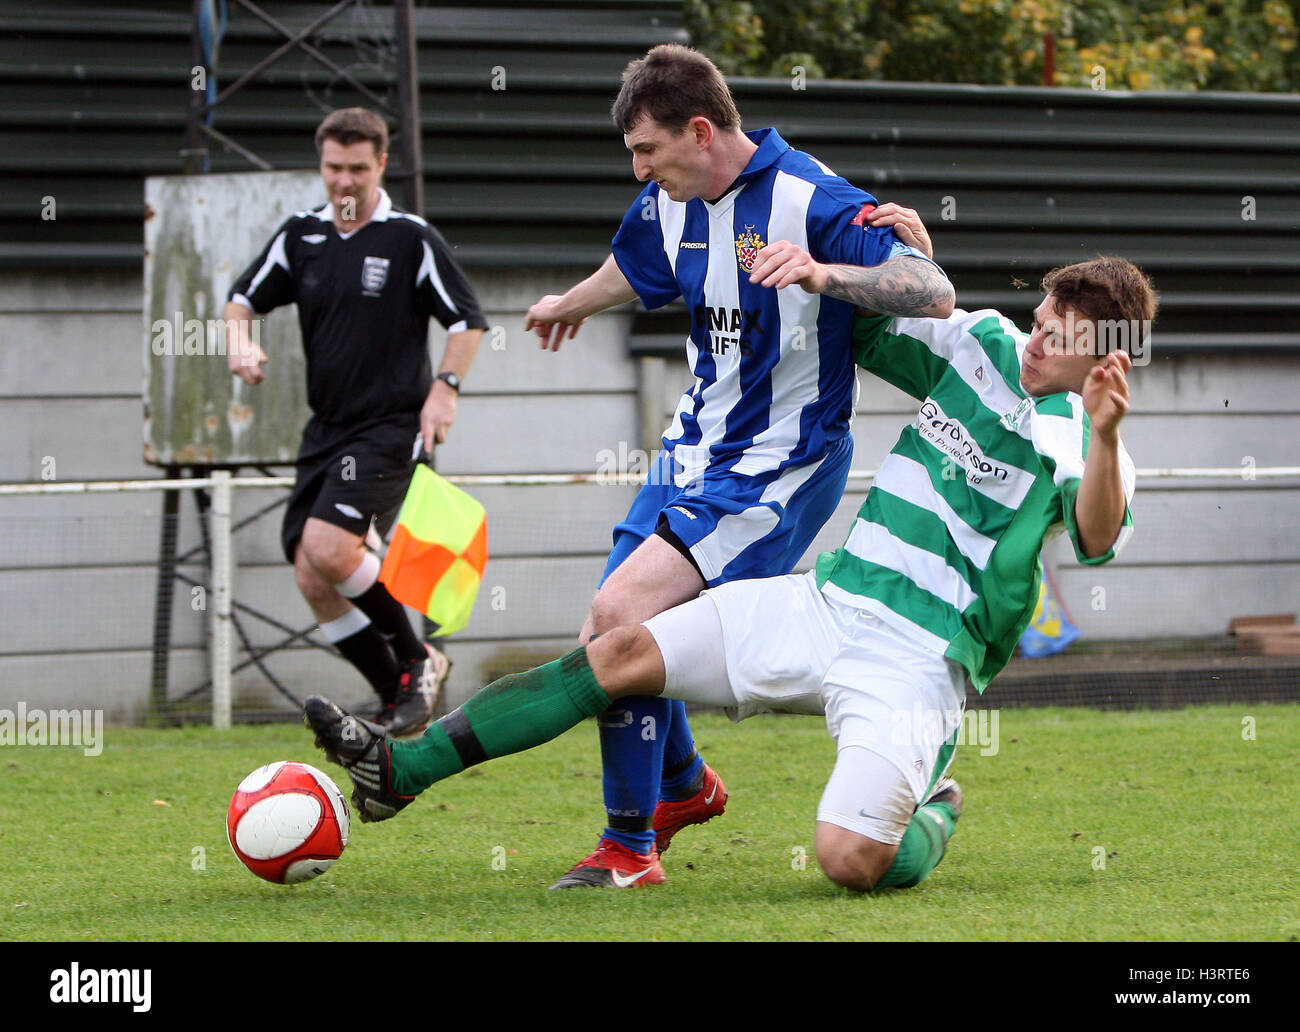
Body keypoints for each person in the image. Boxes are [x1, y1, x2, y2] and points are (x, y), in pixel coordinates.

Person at [306, 254, 1158, 892]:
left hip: (919, 661)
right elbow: (875, 324)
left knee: (849, 862)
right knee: (621, 648)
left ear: (1108, 361)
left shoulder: (1080, 435)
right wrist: (883, 268)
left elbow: (1096, 536)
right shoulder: (985, 342)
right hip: (830, 600)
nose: (1039, 333)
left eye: (1063, 334)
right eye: (1044, 311)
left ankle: (932, 810)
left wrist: (1111, 435)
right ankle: (402, 771)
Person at [522, 43, 955, 887]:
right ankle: (681, 787)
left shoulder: (810, 198)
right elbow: (637, 261)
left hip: (780, 461)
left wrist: (825, 272)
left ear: (700, 129)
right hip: (692, 446)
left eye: (648, 151)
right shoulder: (668, 200)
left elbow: (929, 286)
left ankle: (629, 846)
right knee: (609, 633)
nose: (641, 170)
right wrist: (567, 303)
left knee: (621, 617)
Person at [224, 107, 488, 736]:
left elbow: (467, 321)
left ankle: (420, 660)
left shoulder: (409, 239)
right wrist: (240, 344)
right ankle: (396, 697)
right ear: (322, 165)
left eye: (357, 169)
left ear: (380, 165)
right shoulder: (301, 237)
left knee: (330, 547)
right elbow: (241, 301)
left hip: (390, 424)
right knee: (312, 575)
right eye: (333, 168)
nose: (344, 182)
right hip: (326, 430)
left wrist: (444, 390)